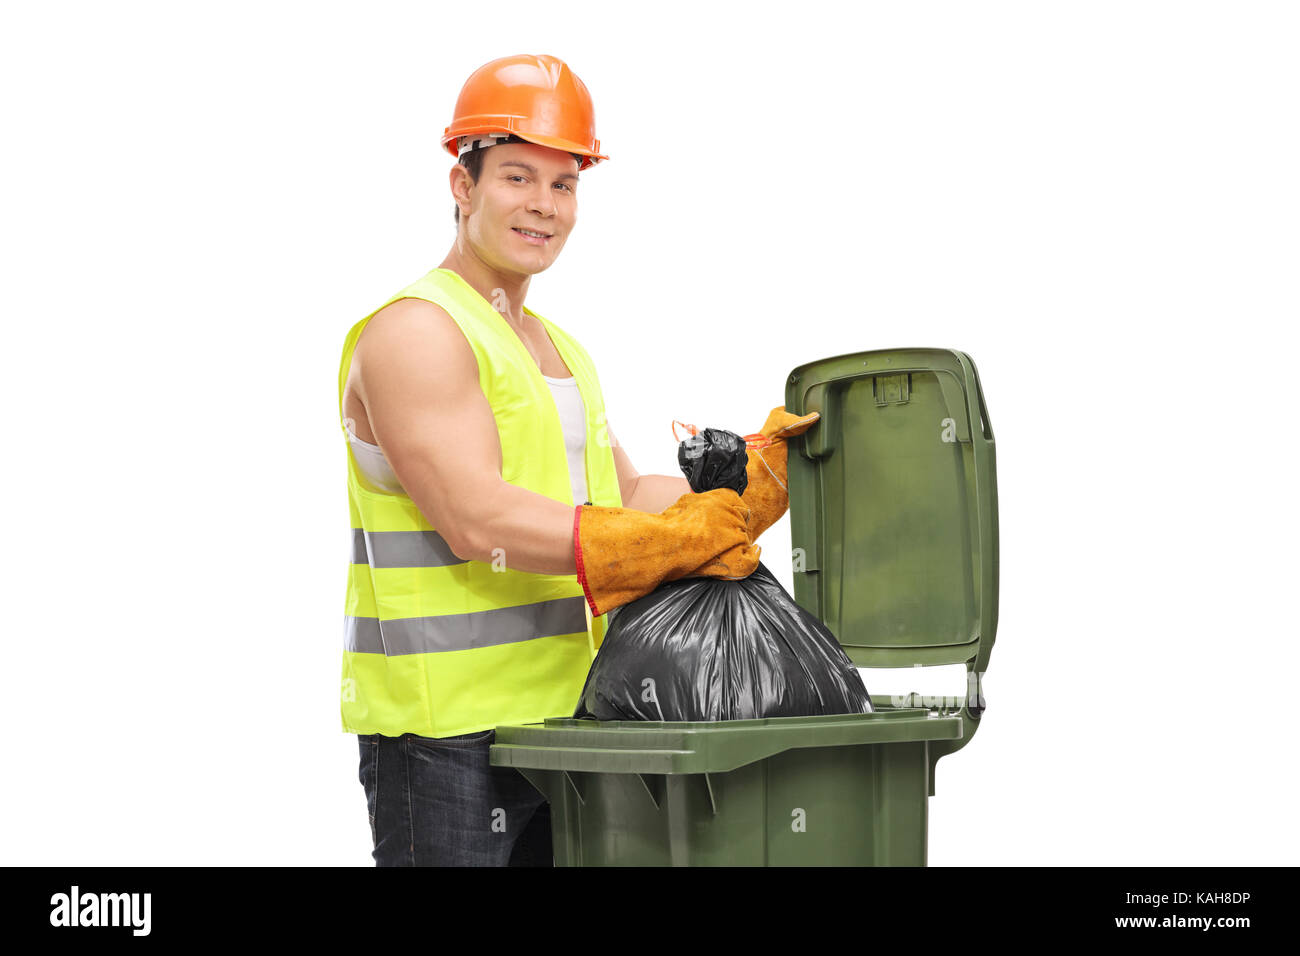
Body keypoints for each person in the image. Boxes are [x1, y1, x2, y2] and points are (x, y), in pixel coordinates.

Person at [336, 54, 816, 867]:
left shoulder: (558, 348)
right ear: (463, 185)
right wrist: (657, 546)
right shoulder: (415, 331)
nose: (544, 207)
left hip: (571, 723)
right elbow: (474, 517)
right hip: (444, 736)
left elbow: (621, 490)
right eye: (518, 177)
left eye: (564, 185)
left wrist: (746, 486)